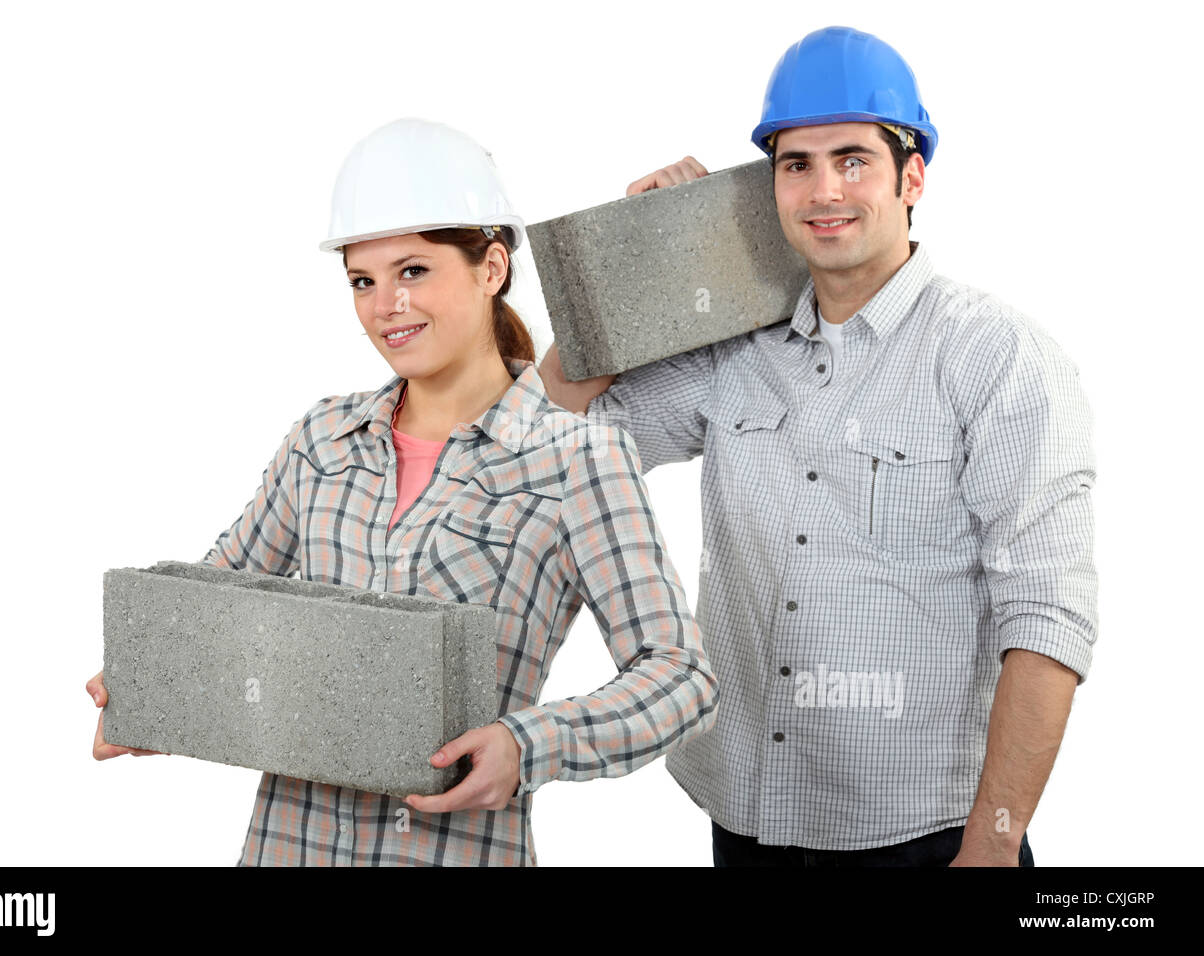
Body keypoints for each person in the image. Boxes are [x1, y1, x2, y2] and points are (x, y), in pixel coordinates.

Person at [86, 118, 717, 866]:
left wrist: (529, 745)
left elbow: (680, 676)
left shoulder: (575, 457)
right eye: (363, 280)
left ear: (491, 268)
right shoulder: (321, 441)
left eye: (414, 271)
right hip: (291, 848)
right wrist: (151, 677)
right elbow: (215, 598)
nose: (386, 305)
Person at [540, 26, 1097, 867]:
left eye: (853, 159)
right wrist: (628, 267)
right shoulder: (736, 354)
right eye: (795, 163)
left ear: (913, 177)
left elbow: (1050, 619)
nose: (823, 188)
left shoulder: (998, 359)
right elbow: (546, 436)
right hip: (749, 815)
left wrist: (991, 847)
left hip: (924, 836)